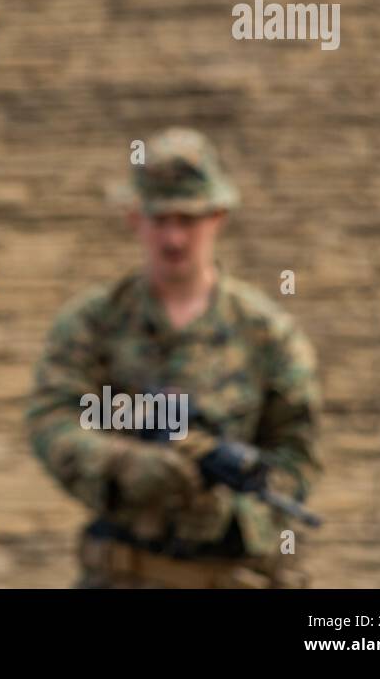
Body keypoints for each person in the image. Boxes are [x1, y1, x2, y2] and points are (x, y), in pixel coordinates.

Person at [25, 127, 321, 588]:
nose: (174, 237)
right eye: (160, 219)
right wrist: (123, 464)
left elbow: (296, 456)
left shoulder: (267, 332)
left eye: (188, 218)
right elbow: (52, 419)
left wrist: (229, 504)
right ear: (133, 218)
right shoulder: (94, 322)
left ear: (218, 216)